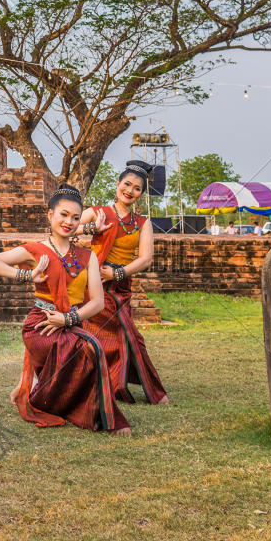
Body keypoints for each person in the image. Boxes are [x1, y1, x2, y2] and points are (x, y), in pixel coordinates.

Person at [0, 186, 130, 434]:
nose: (69, 222)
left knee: (89, 347)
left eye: (75, 217)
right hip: (41, 324)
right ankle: (45, 399)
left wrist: (68, 318)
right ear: (50, 216)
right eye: (63, 214)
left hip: (70, 321)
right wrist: (27, 274)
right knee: (87, 347)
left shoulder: (87, 257)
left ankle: (50, 395)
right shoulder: (36, 250)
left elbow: (97, 302)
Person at [80, 160, 169, 405]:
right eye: (126, 184)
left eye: (137, 188)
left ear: (141, 193)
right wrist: (91, 228)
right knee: (97, 334)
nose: (130, 190)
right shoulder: (98, 212)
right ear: (117, 184)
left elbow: (146, 258)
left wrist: (117, 274)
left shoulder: (143, 223)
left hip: (119, 285)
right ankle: (99, 382)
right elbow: (63, 229)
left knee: (129, 335)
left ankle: (146, 389)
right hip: (93, 285)